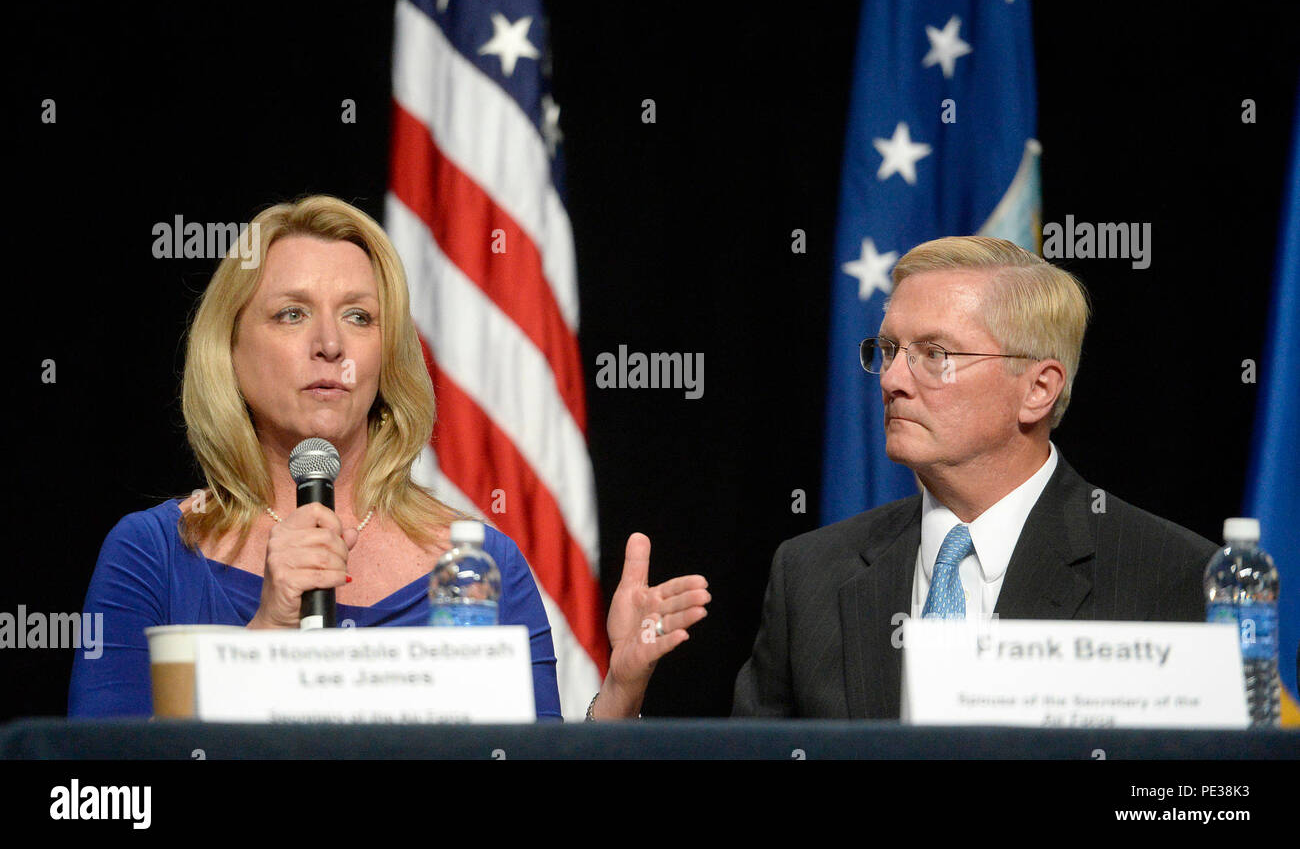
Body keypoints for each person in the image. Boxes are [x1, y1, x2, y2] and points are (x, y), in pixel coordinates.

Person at [68, 195, 709, 720]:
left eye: (359, 316)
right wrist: (268, 630)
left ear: (386, 355)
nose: (329, 344)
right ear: (229, 350)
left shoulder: (482, 565)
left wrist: (620, 693)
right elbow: (106, 794)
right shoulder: (154, 555)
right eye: (291, 314)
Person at [732, 236, 1215, 718]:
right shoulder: (809, 573)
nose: (892, 380)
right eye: (890, 350)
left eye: (935, 354)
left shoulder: (1173, 576)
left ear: (1038, 389)